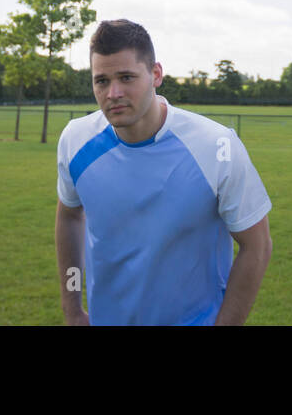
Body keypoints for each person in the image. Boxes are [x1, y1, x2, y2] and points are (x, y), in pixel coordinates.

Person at [55, 19, 272, 325]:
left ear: (155, 74)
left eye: (126, 77)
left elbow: (257, 245)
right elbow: (68, 216)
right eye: (101, 81)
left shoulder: (216, 147)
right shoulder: (75, 141)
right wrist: (72, 308)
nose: (113, 93)